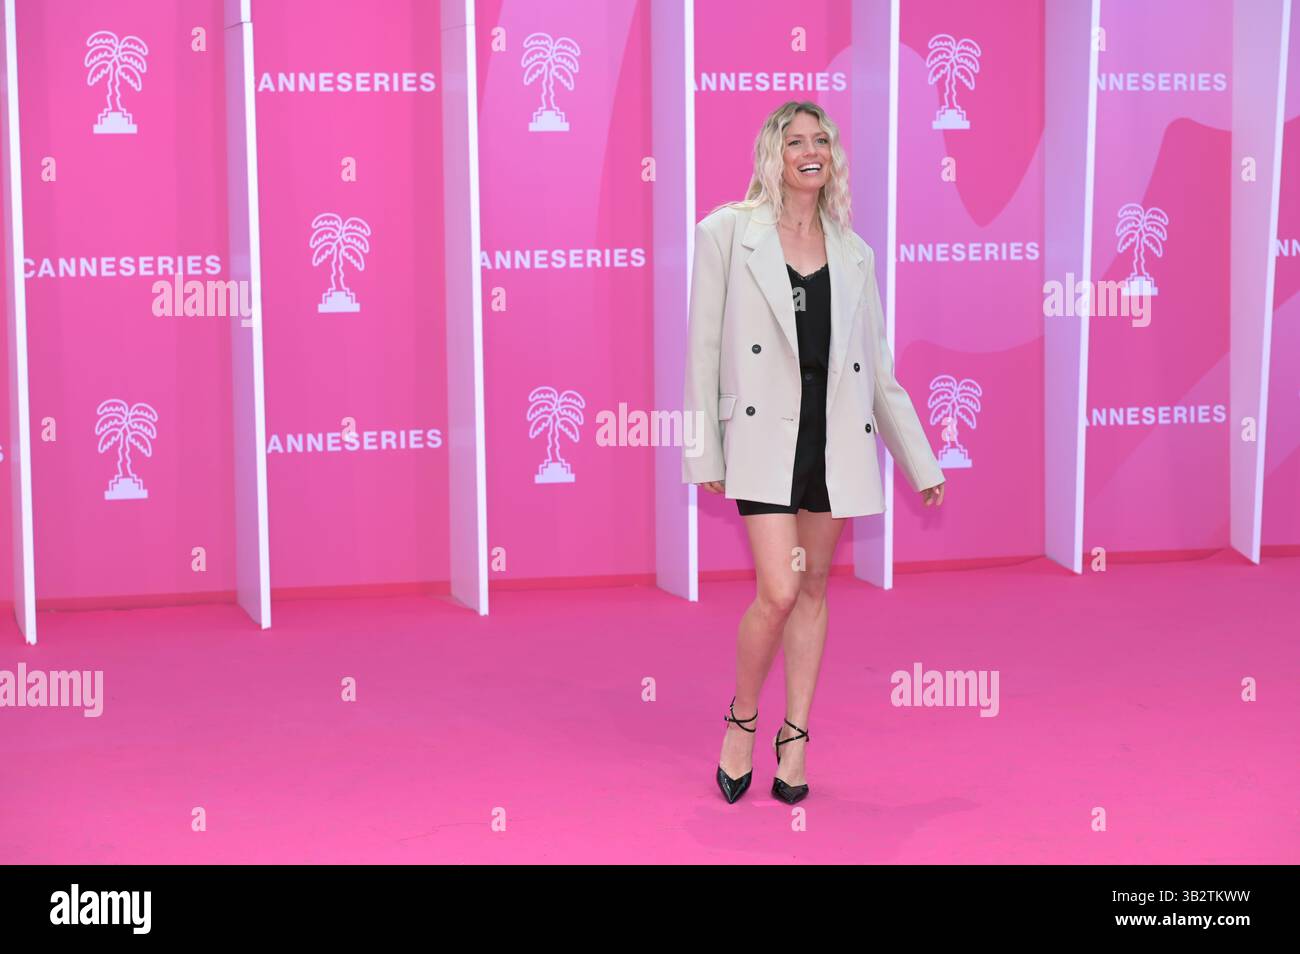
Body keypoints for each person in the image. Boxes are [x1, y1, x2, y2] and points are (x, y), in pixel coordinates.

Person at [682, 101, 947, 804]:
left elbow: (877, 368)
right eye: (796, 140)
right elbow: (702, 349)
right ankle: (743, 717)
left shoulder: (854, 251)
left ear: (832, 156)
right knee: (778, 590)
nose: (811, 150)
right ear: (774, 153)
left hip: (832, 443)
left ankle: (794, 738)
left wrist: (920, 462)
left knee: (815, 588)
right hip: (763, 439)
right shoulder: (726, 233)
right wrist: (702, 450)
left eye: (821, 139)